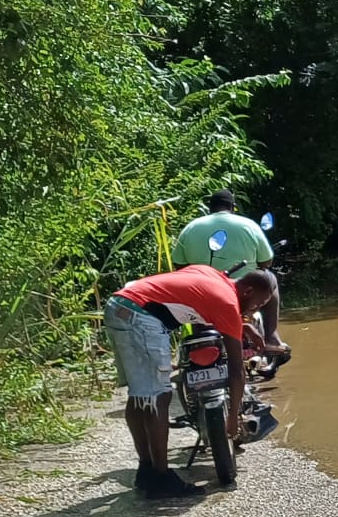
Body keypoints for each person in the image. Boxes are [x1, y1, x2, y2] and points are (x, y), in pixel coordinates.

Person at [104, 266, 274, 498]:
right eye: (259, 302)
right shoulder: (228, 303)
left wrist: (243, 326)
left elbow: (199, 305)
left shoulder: (214, 276)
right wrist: (233, 419)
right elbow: (236, 372)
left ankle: (146, 470)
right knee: (158, 396)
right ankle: (161, 479)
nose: (257, 307)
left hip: (120, 304)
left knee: (140, 394)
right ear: (248, 290)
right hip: (141, 317)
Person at [172, 190, 292, 374]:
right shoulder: (248, 225)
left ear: (209, 209)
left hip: (202, 293)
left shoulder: (191, 228)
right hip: (241, 291)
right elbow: (266, 262)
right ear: (232, 208)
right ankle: (272, 337)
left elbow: (179, 266)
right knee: (270, 278)